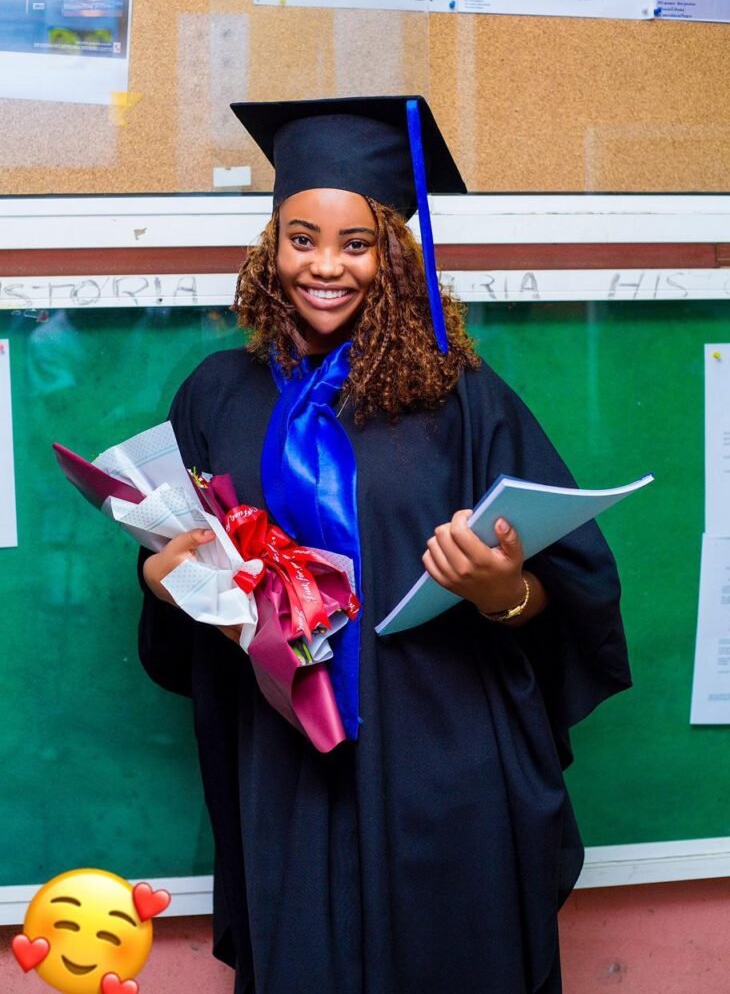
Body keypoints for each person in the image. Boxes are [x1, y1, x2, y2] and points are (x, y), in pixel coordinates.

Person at [138, 96, 630, 994]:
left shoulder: (462, 397)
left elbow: (569, 590)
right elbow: (185, 574)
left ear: (395, 256)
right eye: (301, 239)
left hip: (443, 756)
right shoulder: (216, 395)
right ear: (271, 247)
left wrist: (501, 592)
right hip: (287, 762)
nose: (325, 265)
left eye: (356, 243)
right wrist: (166, 582)